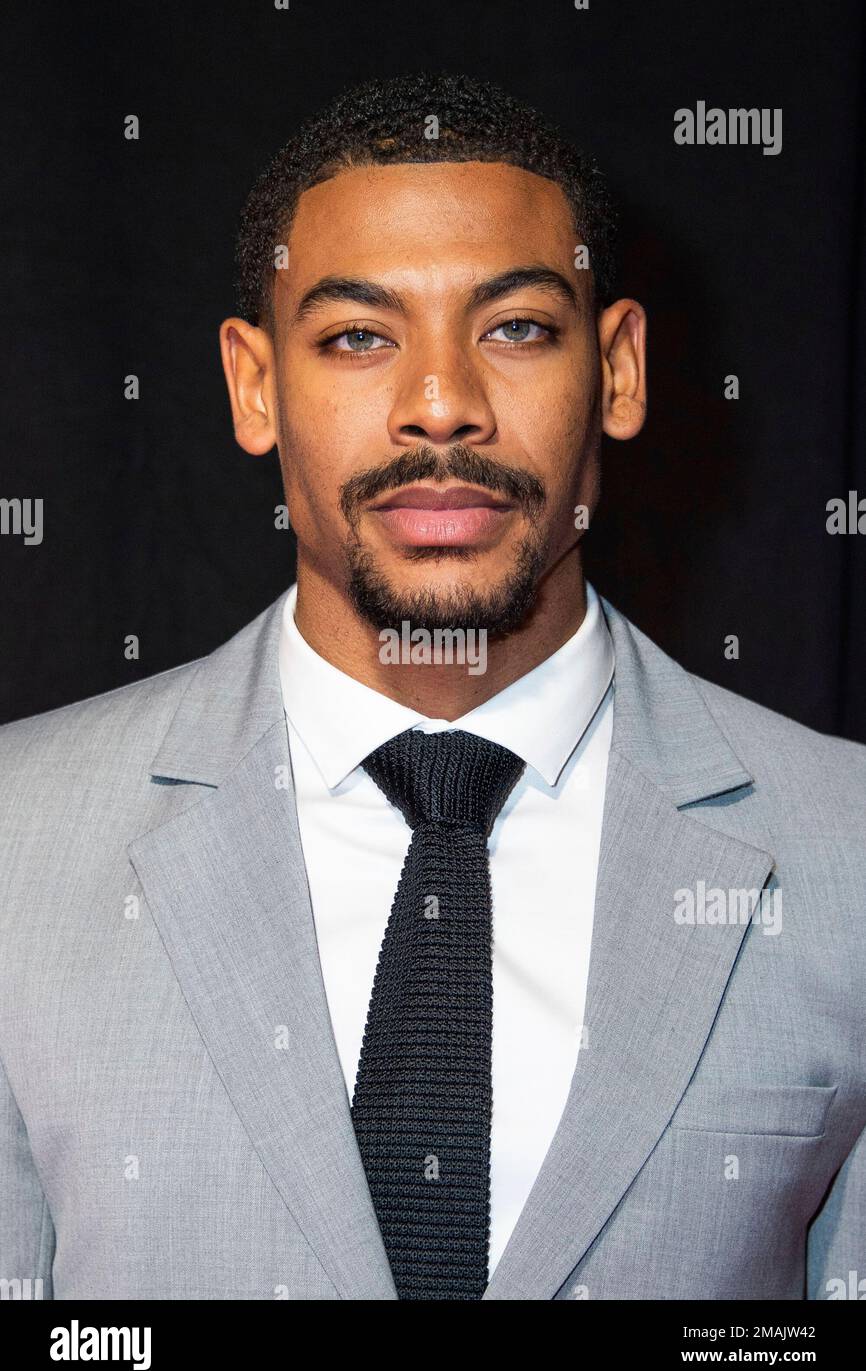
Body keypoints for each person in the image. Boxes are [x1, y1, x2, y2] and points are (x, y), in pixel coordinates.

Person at [1, 71, 863, 1302]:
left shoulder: (845, 853)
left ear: (617, 369)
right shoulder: (14, 841)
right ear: (255, 387)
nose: (440, 406)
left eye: (513, 327)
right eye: (357, 335)